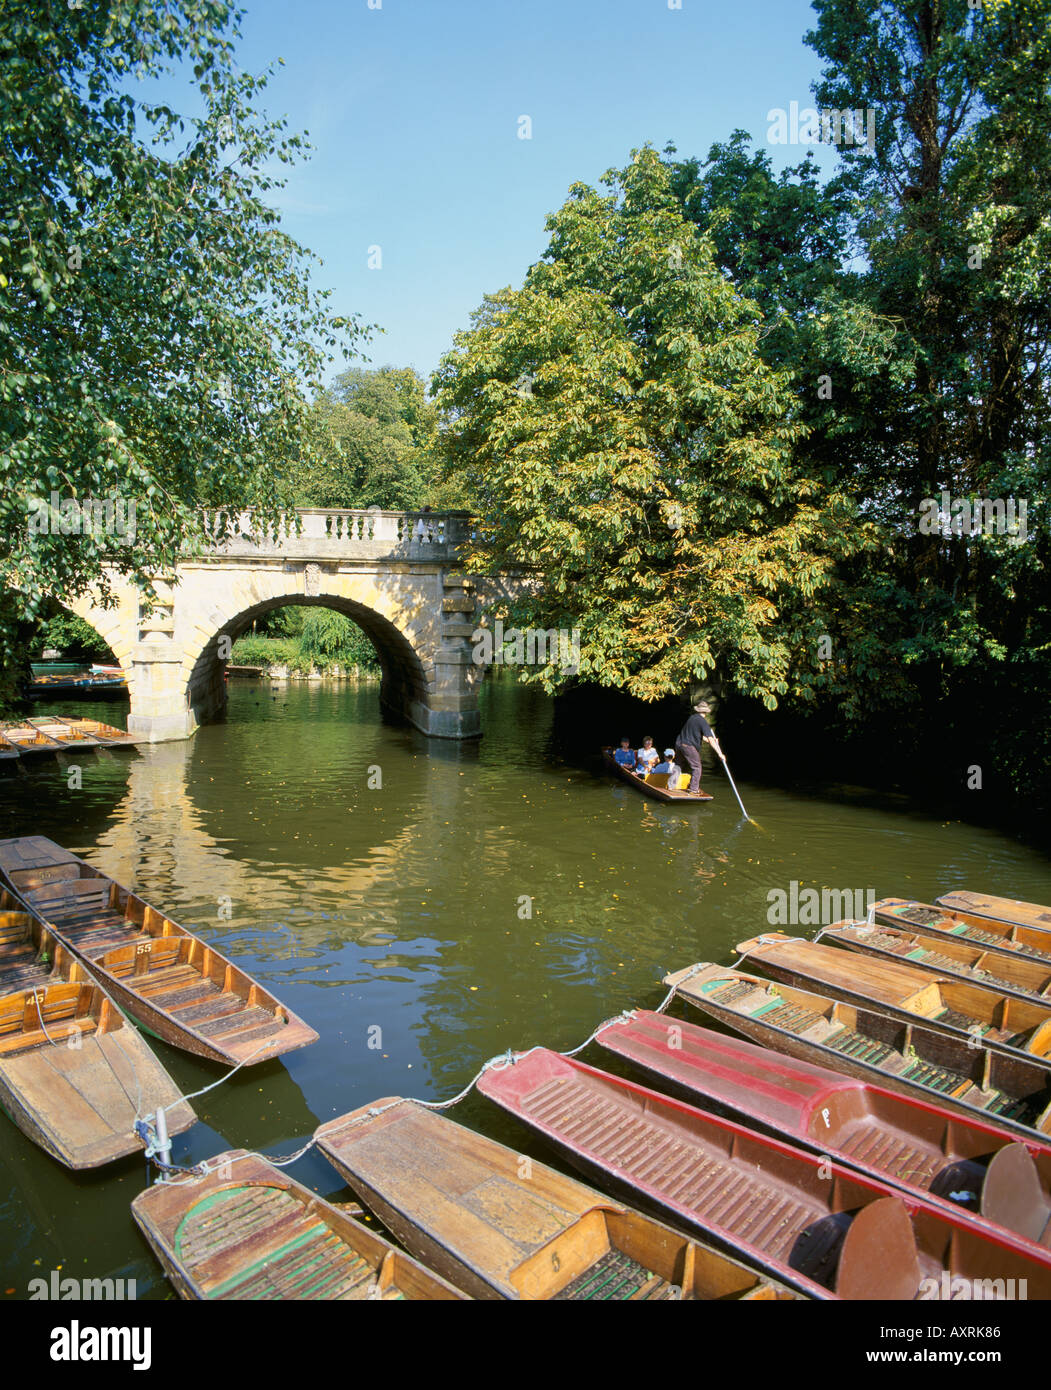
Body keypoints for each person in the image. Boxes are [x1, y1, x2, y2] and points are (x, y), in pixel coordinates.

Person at [675, 700, 723, 796]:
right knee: (697, 767)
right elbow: (710, 737)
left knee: (678, 765)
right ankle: (693, 789)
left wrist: (711, 740)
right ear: (706, 712)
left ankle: (671, 784)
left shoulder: (692, 718)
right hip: (688, 746)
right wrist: (720, 753)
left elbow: (702, 736)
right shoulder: (702, 721)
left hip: (679, 744)